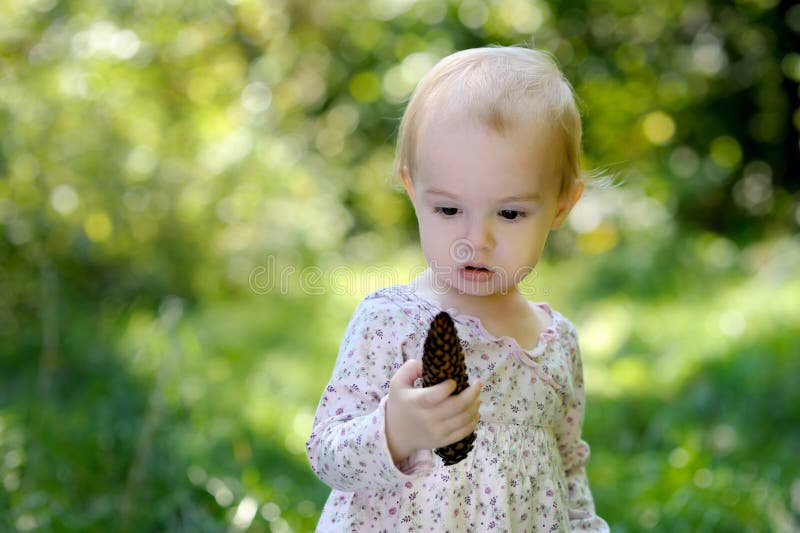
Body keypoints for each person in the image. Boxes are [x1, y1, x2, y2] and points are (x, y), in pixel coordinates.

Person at [306, 45, 609, 532]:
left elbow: (569, 466)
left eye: (509, 213)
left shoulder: (557, 345)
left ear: (561, 205)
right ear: (413, 190)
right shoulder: (391, 321)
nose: (476, 240)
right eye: (448, 210)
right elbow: (327, 454)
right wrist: (394, 431)